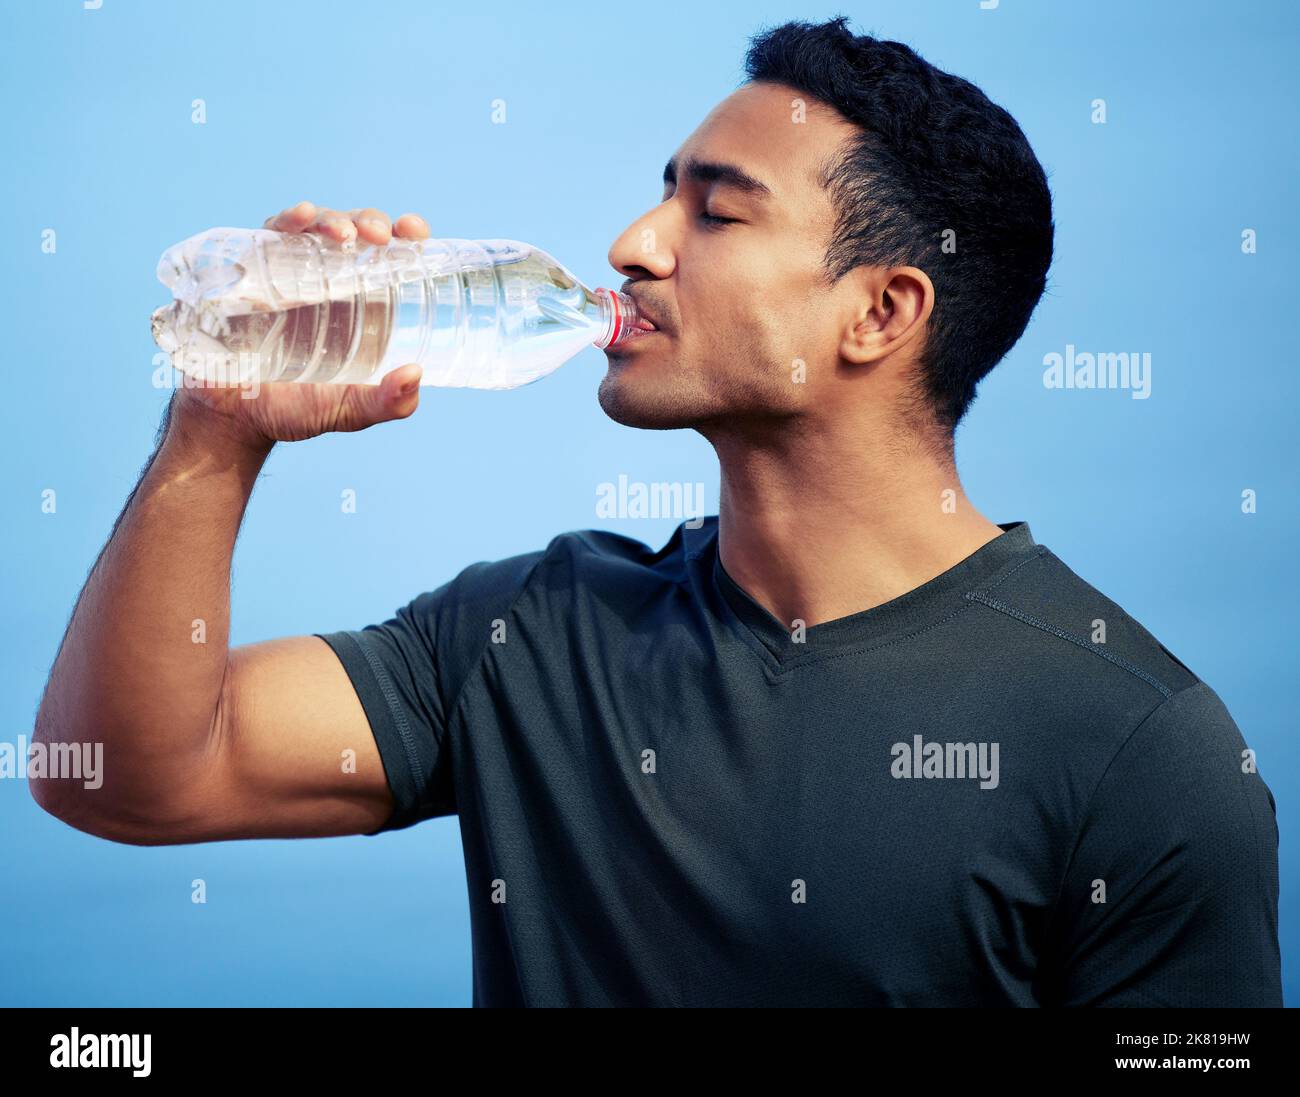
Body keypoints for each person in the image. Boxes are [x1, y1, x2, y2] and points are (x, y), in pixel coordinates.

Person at [32, 18, 1281, 1007]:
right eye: (660, 193)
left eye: (716, 211)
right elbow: (125, 777)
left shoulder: (1136, 746)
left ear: (880, 314)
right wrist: (219, 434)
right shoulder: (532, 629)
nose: (632, 243)